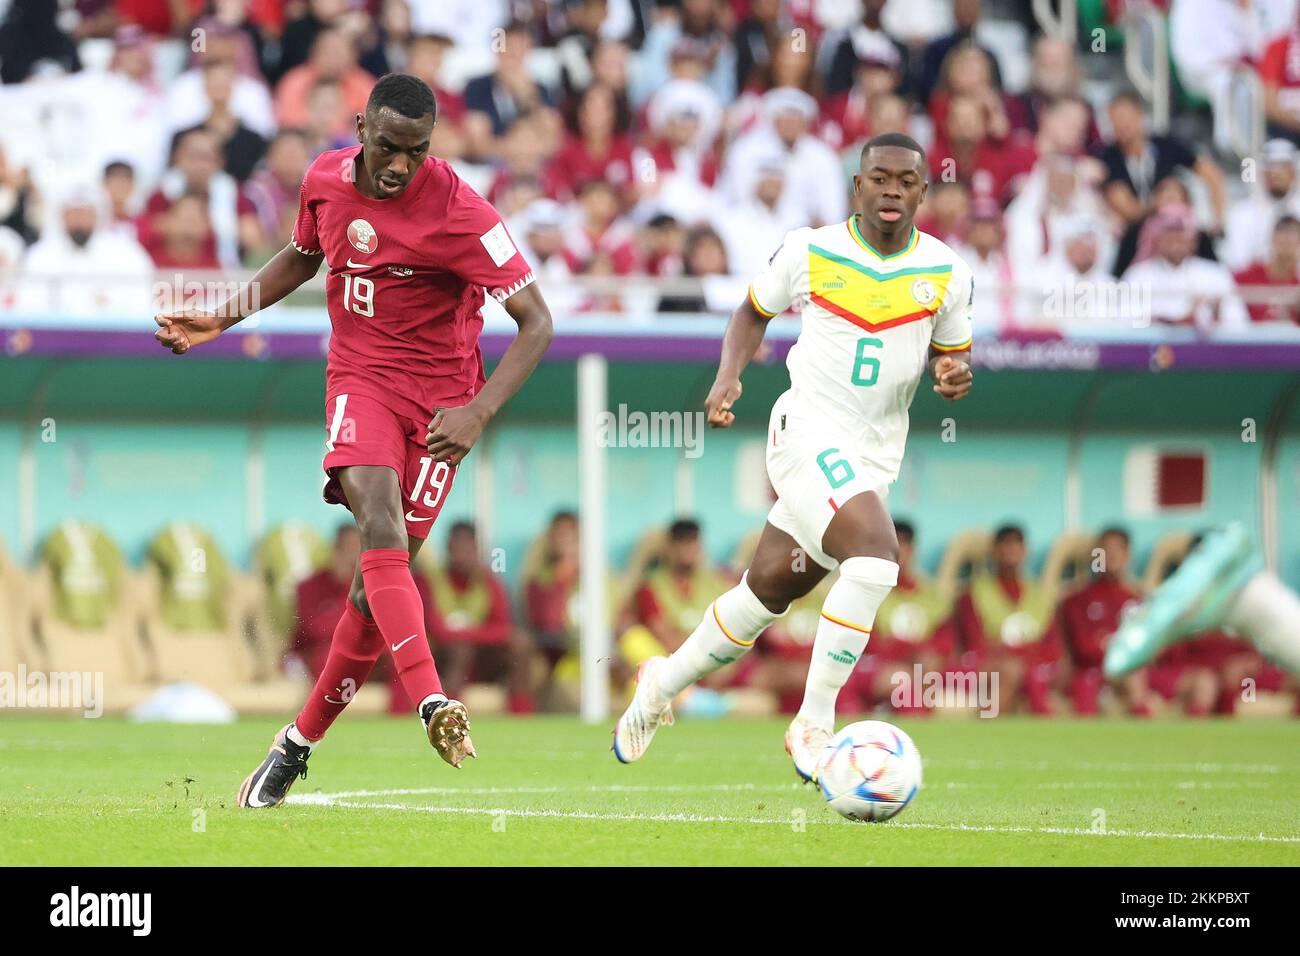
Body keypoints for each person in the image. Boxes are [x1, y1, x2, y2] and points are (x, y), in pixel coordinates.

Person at [152, 74, 554, 807]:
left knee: (374, 591)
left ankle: (297, 742)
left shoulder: (461, 210)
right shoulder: (324, 180)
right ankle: (434, 702)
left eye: (419, 150)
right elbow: (303, 257)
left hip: (442, 407)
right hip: (362, 379)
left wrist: (479, 412)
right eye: (391, 147)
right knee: (379, 521)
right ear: (362, 127)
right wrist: (220, 316)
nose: (402, 165)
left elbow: (538, 322)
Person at [613, 132, 974, 782]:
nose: (892, 190)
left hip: (872, 460)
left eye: (906, 181)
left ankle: (660, 683)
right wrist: (728, 376)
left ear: (923, 190)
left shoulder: (949, 272)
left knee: (765, 595)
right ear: (857, 187)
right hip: (805, 433)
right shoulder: (810, 249)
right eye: (879, 178)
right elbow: (752, 313)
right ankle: (813, 723)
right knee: (876, 558)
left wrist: (953, 372)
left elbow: (952, 354)